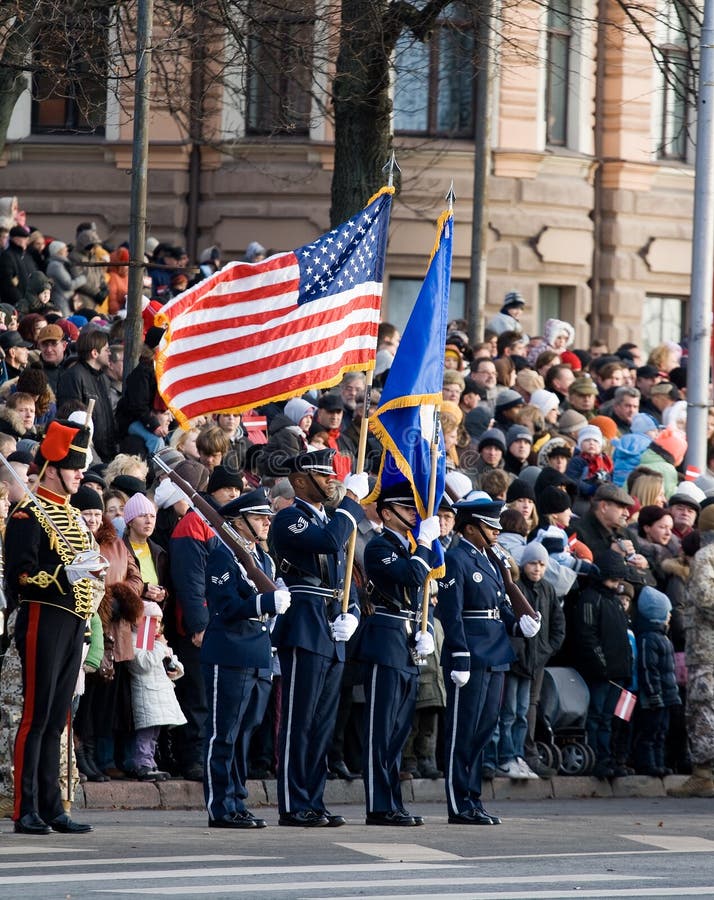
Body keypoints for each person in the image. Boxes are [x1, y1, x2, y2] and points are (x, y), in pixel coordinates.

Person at [5, 419, 98, 834]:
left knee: (59, 716)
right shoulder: (29, 515)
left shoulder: (73, 516)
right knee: (35, 715)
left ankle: (52, 805)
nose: (80, 474)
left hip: (74, 621)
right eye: (74, 467)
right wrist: (65, 575)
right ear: (55, 468)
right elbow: (22, 577)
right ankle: (25, 807)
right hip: (43, 615)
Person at [270, 449, 367, 827]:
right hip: (305, 626)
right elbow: (328, 542)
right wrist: (352, 505)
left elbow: (346, 582)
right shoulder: (289, 519)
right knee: (299, 720)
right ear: (299, 481)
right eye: (322, 475)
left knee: (323, 723)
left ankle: (313, 799)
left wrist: (354, 615)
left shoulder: (333, 520)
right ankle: (293, 804)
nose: (331, 481)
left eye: (332, 476)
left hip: (331, 628)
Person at [436, 491, 541, 824]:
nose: (496, 532)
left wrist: (518, 623)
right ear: (469, 529)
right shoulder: (456, 559)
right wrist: (459, 653)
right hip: (472, 653)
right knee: (462, 730)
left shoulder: (491, 559)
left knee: (483, 729)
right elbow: (451, 613)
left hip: (496, 651)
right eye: (488, 526)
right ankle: (458, 803)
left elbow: (498, 606)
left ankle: (473, 797)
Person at [201, 488, 291, 828]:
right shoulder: (223, 555)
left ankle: (237, 801)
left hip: (258, 653)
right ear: (238, 521)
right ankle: (219, 806)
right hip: (230, 651)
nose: (267, 522)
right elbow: (224, 606)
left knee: (244, 734)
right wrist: (265, 603)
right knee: (222, 734)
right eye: (258, 517)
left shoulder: (263, 559)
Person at [356, 481, 440, 826]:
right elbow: (411, 577)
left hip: (405, 643)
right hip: (385, 641)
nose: (413, 515)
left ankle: (393, 801)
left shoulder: (407, 547)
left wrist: (428, 630)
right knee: (381, 730)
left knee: (398, 731)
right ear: (388, 512)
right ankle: (379, 805)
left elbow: (427, 594)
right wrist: (423, 545)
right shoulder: (379, 547)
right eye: (407, 510)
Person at [168, 463, 243, 780]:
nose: (234, 495)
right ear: (212, 490)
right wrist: (198, 624)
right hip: (201, 627)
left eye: (238, 490)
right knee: (197, 697)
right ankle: (193, 758)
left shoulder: (224, 522)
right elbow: (189, 578)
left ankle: (212, 757)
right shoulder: (195, 523)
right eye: (229, 489)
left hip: (224, 622)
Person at [633, 587, 680, 776]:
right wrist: (654, 694)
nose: (670, 616)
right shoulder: (649, 638)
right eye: (667, 612)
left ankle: (659, 763)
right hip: (655, 697)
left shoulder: (663, 637)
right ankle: (648, 764)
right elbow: (648, 668)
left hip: (666, 696)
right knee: (650, 732)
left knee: (661, 731)